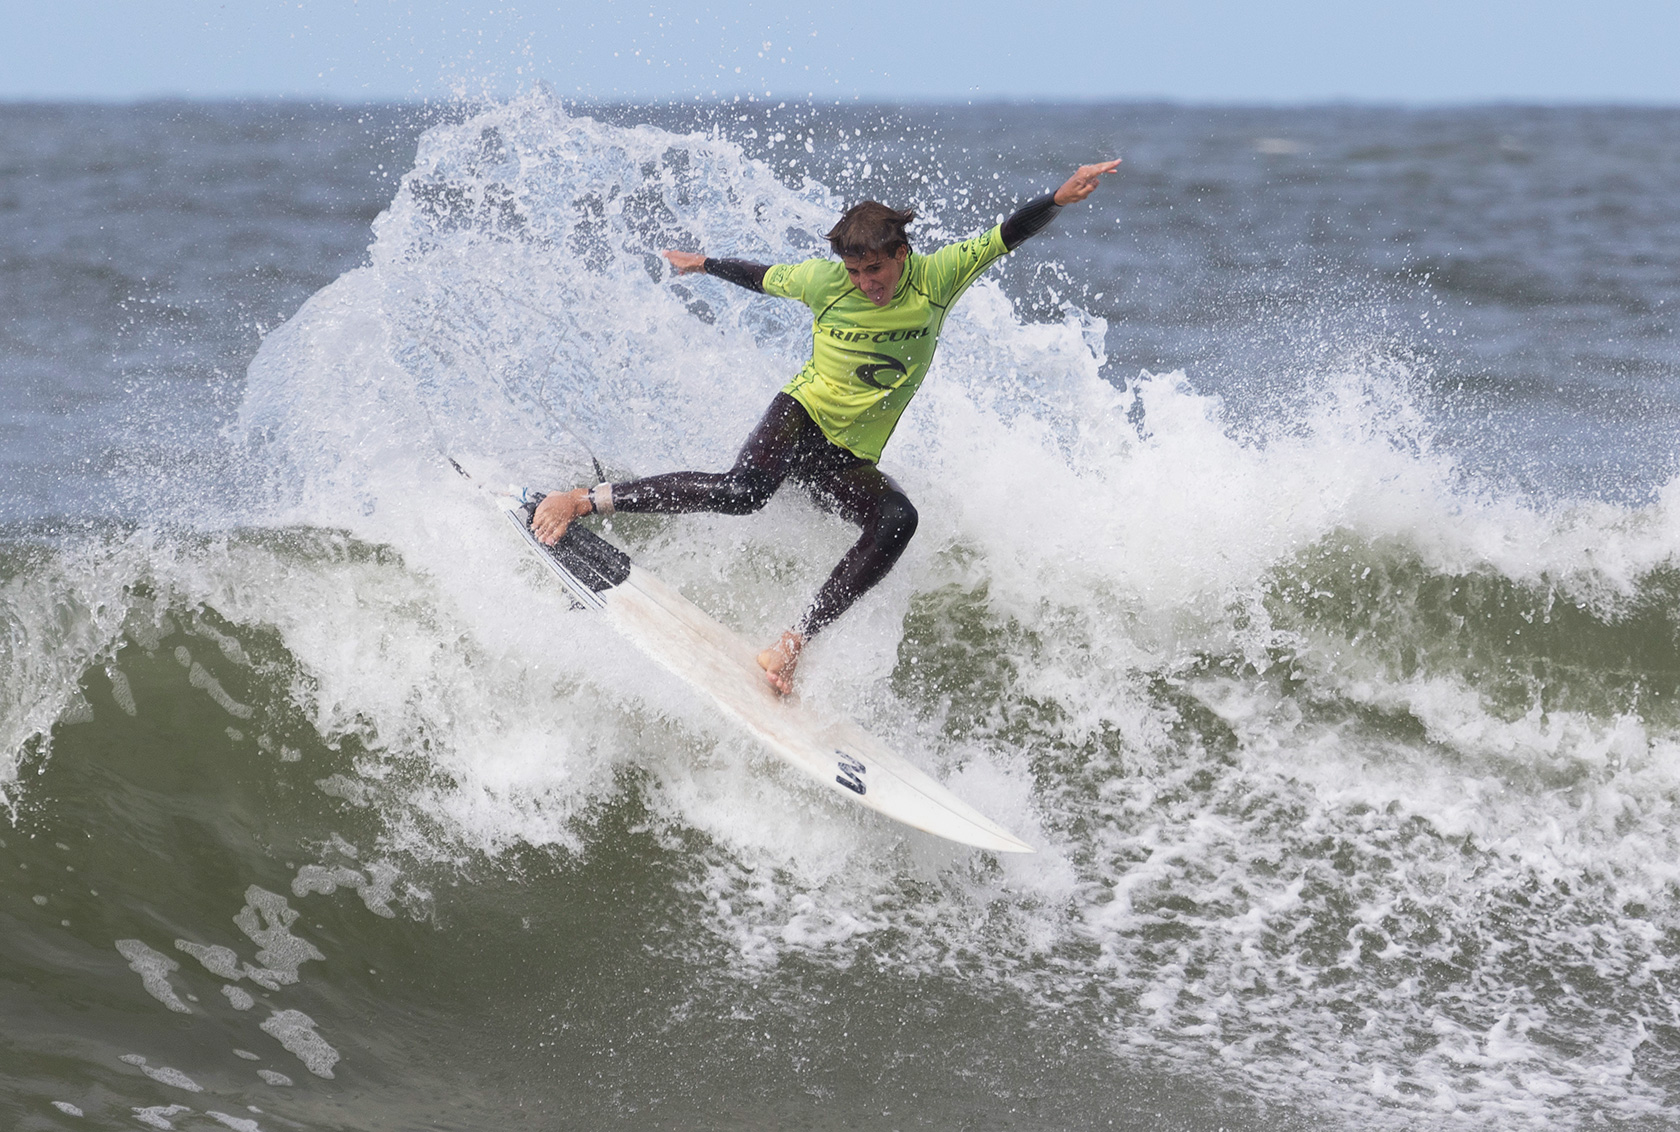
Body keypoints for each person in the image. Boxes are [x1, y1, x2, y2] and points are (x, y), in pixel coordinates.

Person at [533, 159, 1122, 694]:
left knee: (898, 518)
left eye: (875, 270)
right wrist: (705, 264)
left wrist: (1058, 198)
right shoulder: (826, 282)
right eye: (856, 271)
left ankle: (792, 645)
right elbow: (762, 276)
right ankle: (582, 501)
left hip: (846, 456)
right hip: (799, 415)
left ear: (901, 254)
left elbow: (1006, 236)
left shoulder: (938, 278)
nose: (867, 283)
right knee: (744, 493)